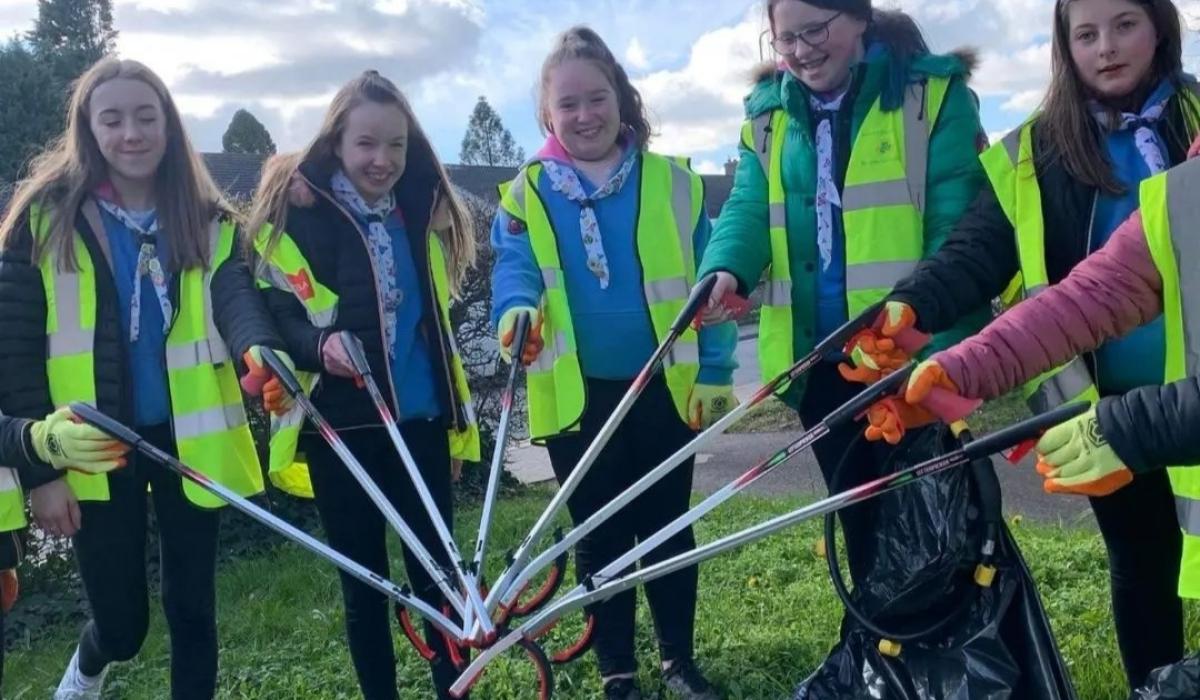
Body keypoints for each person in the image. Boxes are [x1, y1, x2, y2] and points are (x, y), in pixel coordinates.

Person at [854, 0, 1200, 687]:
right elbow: (1030, 266)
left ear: (1161, 27)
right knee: (1139, 564)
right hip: (1102, 408)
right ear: (1062, 46)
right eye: (1086, 33)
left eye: (1125, 24)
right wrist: (928, 322)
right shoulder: (1037, 147)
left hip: (1184, 401)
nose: (1106, 47)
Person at [0, 57, 291, 700]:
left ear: (169, 125)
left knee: (193, 610)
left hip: (190, 439)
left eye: (145, 116)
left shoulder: (209, 219)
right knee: (124, 625)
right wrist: (41, 475)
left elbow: (238, 298)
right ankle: (91, 665)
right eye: (112, 119)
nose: (131, 133)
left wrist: (261, 351)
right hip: (91, 447)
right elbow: (13, 355)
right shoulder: (41, 220)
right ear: (87, 129)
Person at [695, 0, 990, 584]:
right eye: (786, 40)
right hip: (819, 362)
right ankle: (877, 652)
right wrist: (725, 267)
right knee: (855, 518)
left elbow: (955, 228)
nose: (802, 50)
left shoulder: (931, 97)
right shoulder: (767, 117)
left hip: (908, 360)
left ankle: (940, 657)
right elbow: (748, 207)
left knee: (936, 529)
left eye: (816, 30)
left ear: (858, 18)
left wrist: (933, 356)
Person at [491, 26, 738, 700]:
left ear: (623, 102)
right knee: (598, 534)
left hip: (664, 390)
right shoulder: (526, 193)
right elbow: (514, 271)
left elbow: (711, 287)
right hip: (577, 398)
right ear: (547, 115)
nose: (584, 115)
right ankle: (617, 671)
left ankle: (678, 664)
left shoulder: (675, 183)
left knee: (667, 526)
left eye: (596, 98)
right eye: (567, 104)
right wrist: (514, 311)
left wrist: (715, 372)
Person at [245, 70, 480, 700]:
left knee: (438, 580)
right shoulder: (303, 217)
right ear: (337, 145)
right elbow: (279, 314)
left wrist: (452, 420)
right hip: (340, 430)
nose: (383, 159)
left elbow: (429, 322)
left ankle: (450, 690)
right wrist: (319, 347)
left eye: (396, 145)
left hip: (420, 420)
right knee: (368, 586)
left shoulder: (419, 211)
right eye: (367, 144)